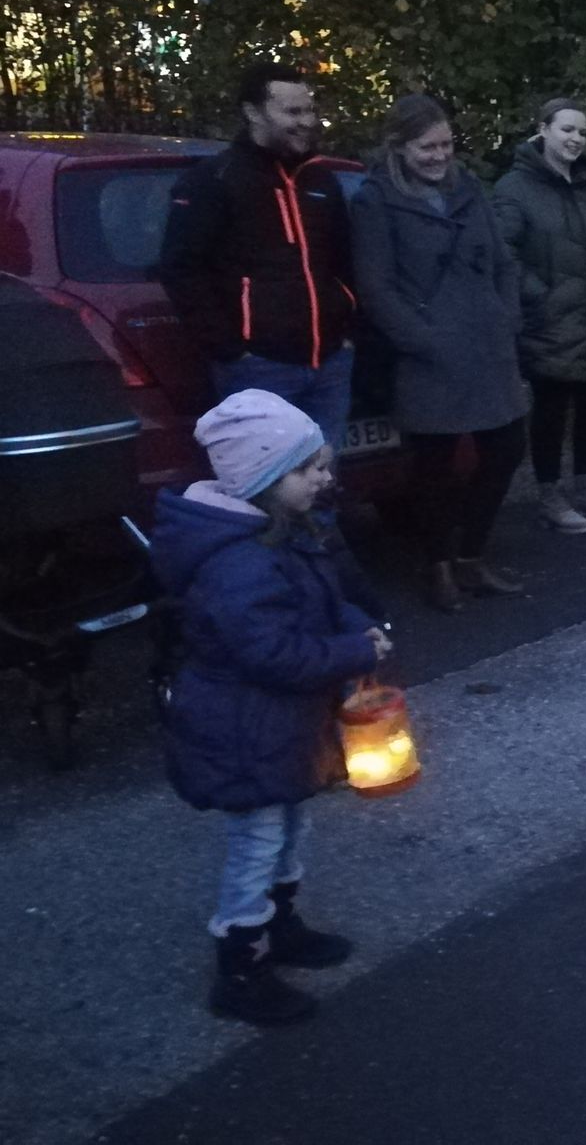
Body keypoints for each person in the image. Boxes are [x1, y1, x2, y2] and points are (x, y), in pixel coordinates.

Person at [151, 390, 391, 1026]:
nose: (323, 479)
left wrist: (357, 626)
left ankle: (280, 924)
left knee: (288, 827)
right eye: (307, 469)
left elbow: (321, 599)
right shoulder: (238, 565)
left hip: (278, 726)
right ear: (262, 478)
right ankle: (241, 966)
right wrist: (351, 650)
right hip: (244, 729)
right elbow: (274, 654)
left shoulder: (280, 533)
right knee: (257, 841)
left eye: (322, 465)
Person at [351, 95, 529, 612]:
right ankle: (438, 567)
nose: (439, 155)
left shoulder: (467, 186)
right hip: (428, 355)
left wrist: (507, 315)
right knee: (434, 467)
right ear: (399, 146)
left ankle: (471, 555)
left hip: (488, 344)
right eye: (427, 147)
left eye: (446, 144)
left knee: (505, 448)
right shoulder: (375, 200)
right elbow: (376, 287)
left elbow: (502, 261)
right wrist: (421, 341)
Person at [159, 60, 359, 449]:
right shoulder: (214, 181)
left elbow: (345, 261)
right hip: (258, 368)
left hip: (331, 362)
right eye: (292, 112)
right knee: (264, 480)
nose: (307, 121)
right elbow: (181, 268)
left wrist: (349, 331)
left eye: (309, 110)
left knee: (322, 478)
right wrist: (231, 350)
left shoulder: (321, 179)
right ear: (253, 113)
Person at [493, 99, 586, 534]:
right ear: (543, 129)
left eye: (582, 132)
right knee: (551, 411)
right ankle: (550, 495)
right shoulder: (515, 188)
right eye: (567, 129)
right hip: (550, 322)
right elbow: (502, 253)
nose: (576, 139)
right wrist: (541, 297)